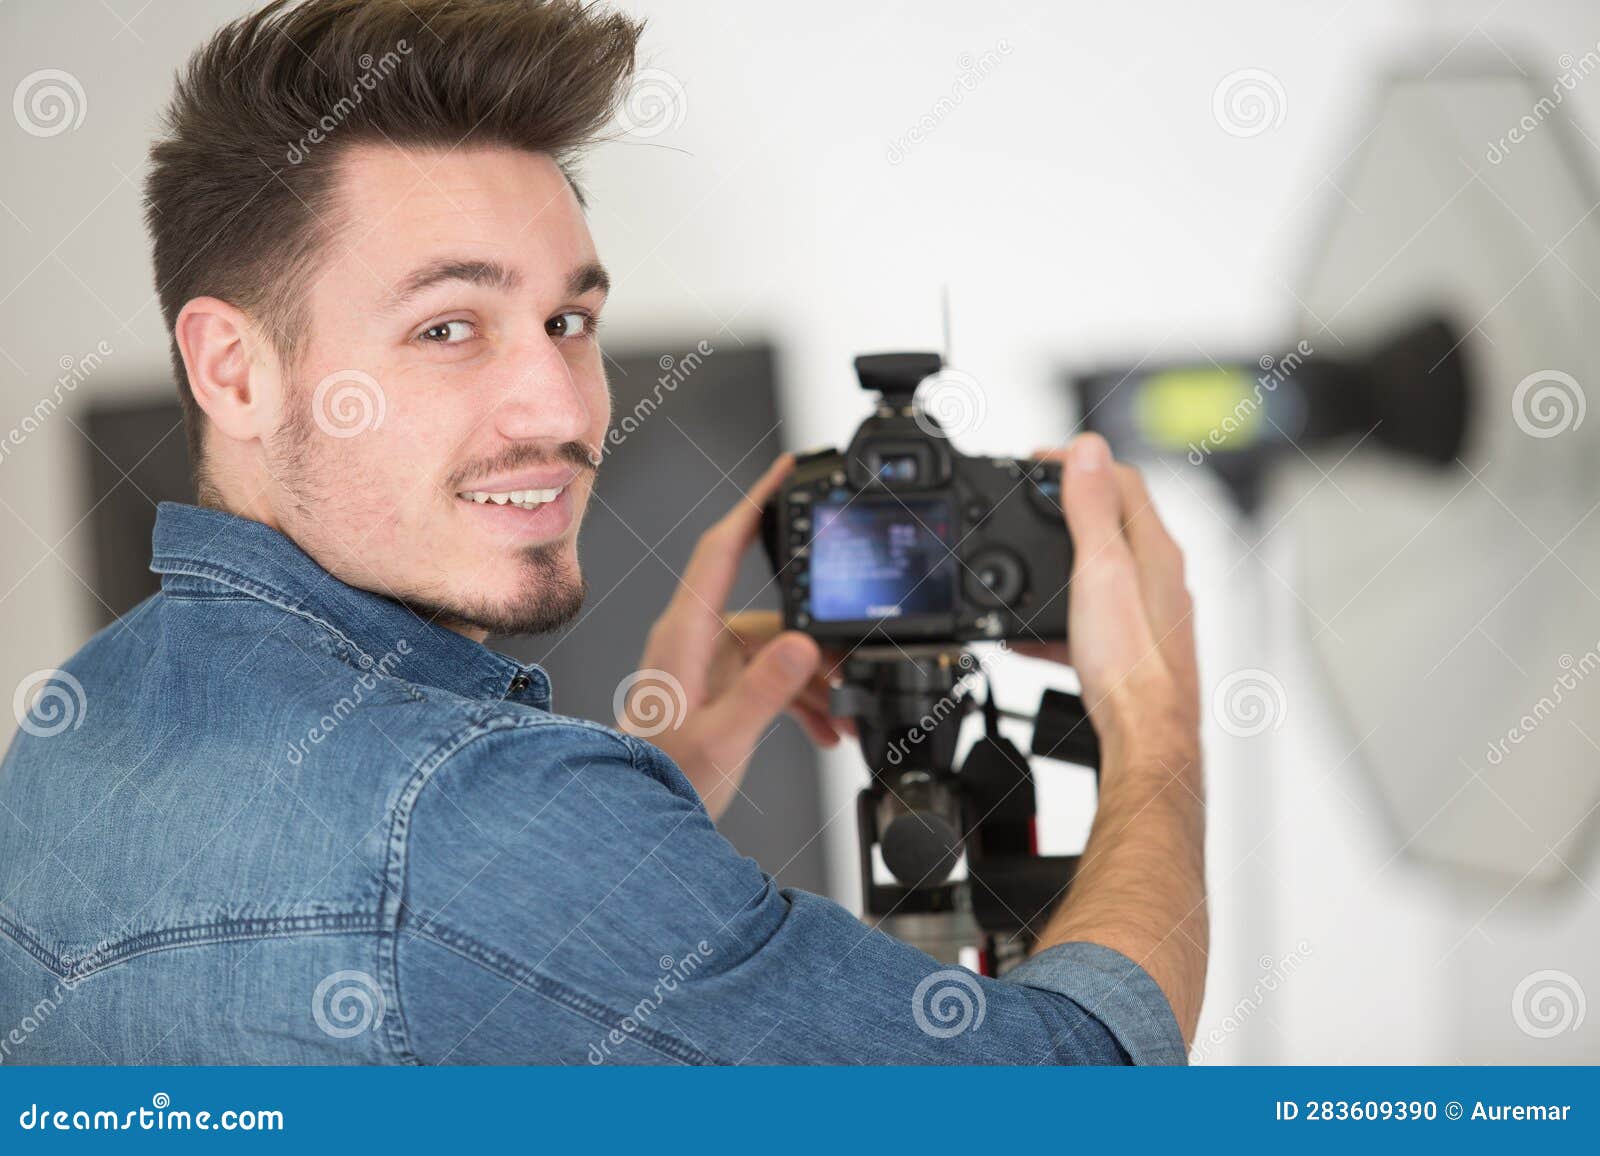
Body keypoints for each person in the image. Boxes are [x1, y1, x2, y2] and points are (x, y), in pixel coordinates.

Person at [0, 0, 1205, 1065]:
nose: (563, 411)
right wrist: (1155, 724)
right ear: (233, 369)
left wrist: (648, 820)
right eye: (447, 328)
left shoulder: (71, 734)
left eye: (569, 321)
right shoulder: (476, 819)